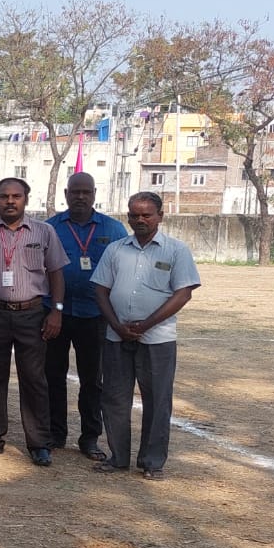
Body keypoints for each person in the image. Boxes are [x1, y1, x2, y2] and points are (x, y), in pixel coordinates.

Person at [91, 192, 200, 480]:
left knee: (157, 399)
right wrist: (116, 325)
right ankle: (118, 458)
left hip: (158, 338)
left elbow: (184, 293)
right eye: (134, 214)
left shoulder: (176, 250)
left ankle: (152, 462)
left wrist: (147, 324)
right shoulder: (115, 250)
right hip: (117, 336)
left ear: (160, 216)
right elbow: (101, 289)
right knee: (114, 398)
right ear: (127, 216)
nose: (140, 219)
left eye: (147, 214)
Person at [0, 177, 67, 467]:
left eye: (16, 196)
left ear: (26, 198)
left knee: (34, 379)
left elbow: (56, 273)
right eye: (4, 196)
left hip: (33, 312)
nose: (10, 201)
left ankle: (39, 442)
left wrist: (57, 311)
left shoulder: (44, 231)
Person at [45, 172, 128, 460]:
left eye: (86, 192)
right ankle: (55, 434)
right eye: (75, 192)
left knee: (92, 380)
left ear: (94, 194)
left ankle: (90, 438)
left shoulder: (113, 229)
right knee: (52, 376)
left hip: (96, 315)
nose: (80, 197)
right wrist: (51, 310)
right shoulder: (50, 227)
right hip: (56, 313)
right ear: (66, 194)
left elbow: (123, 271)